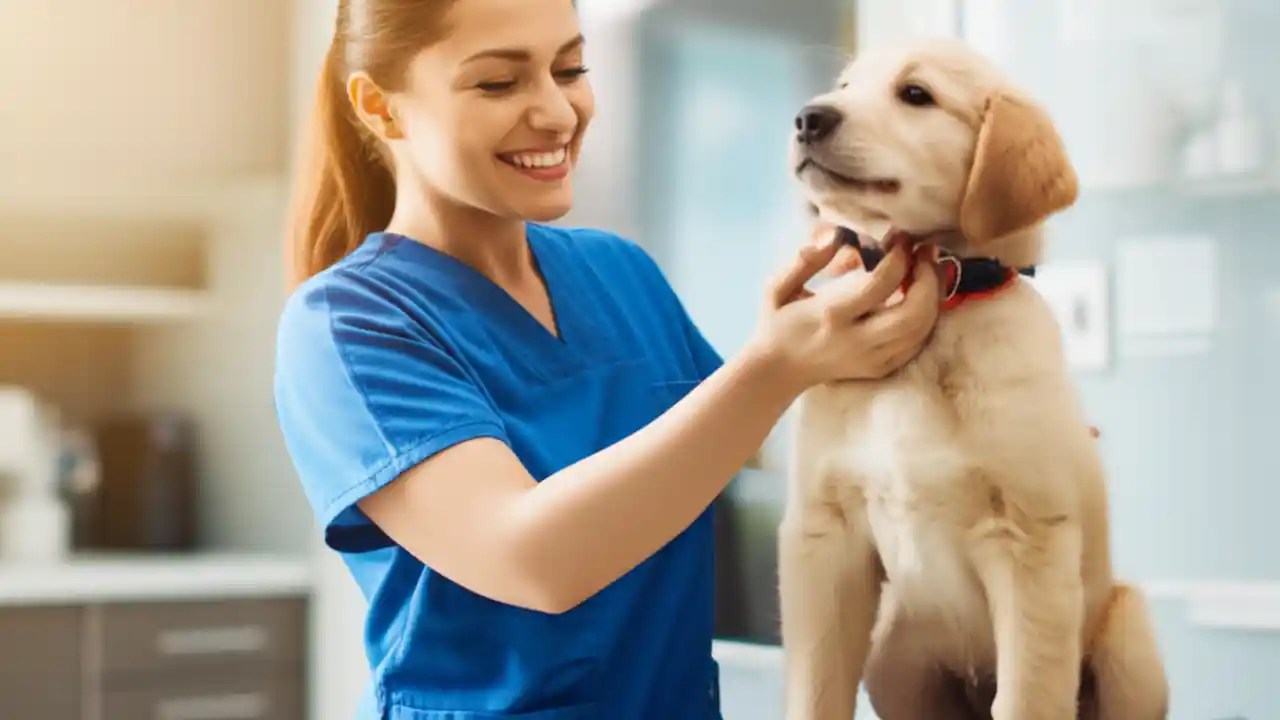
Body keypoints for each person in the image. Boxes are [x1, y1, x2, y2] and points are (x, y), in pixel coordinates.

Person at [272, 1, 944, 718]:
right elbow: (535, 561)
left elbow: (733, 455)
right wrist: (774, 366)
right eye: (499, 83)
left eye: (570, 69)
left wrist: (988, 443)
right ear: (381, 107)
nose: (558, 113)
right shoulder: (350, 323)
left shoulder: (620, 273)